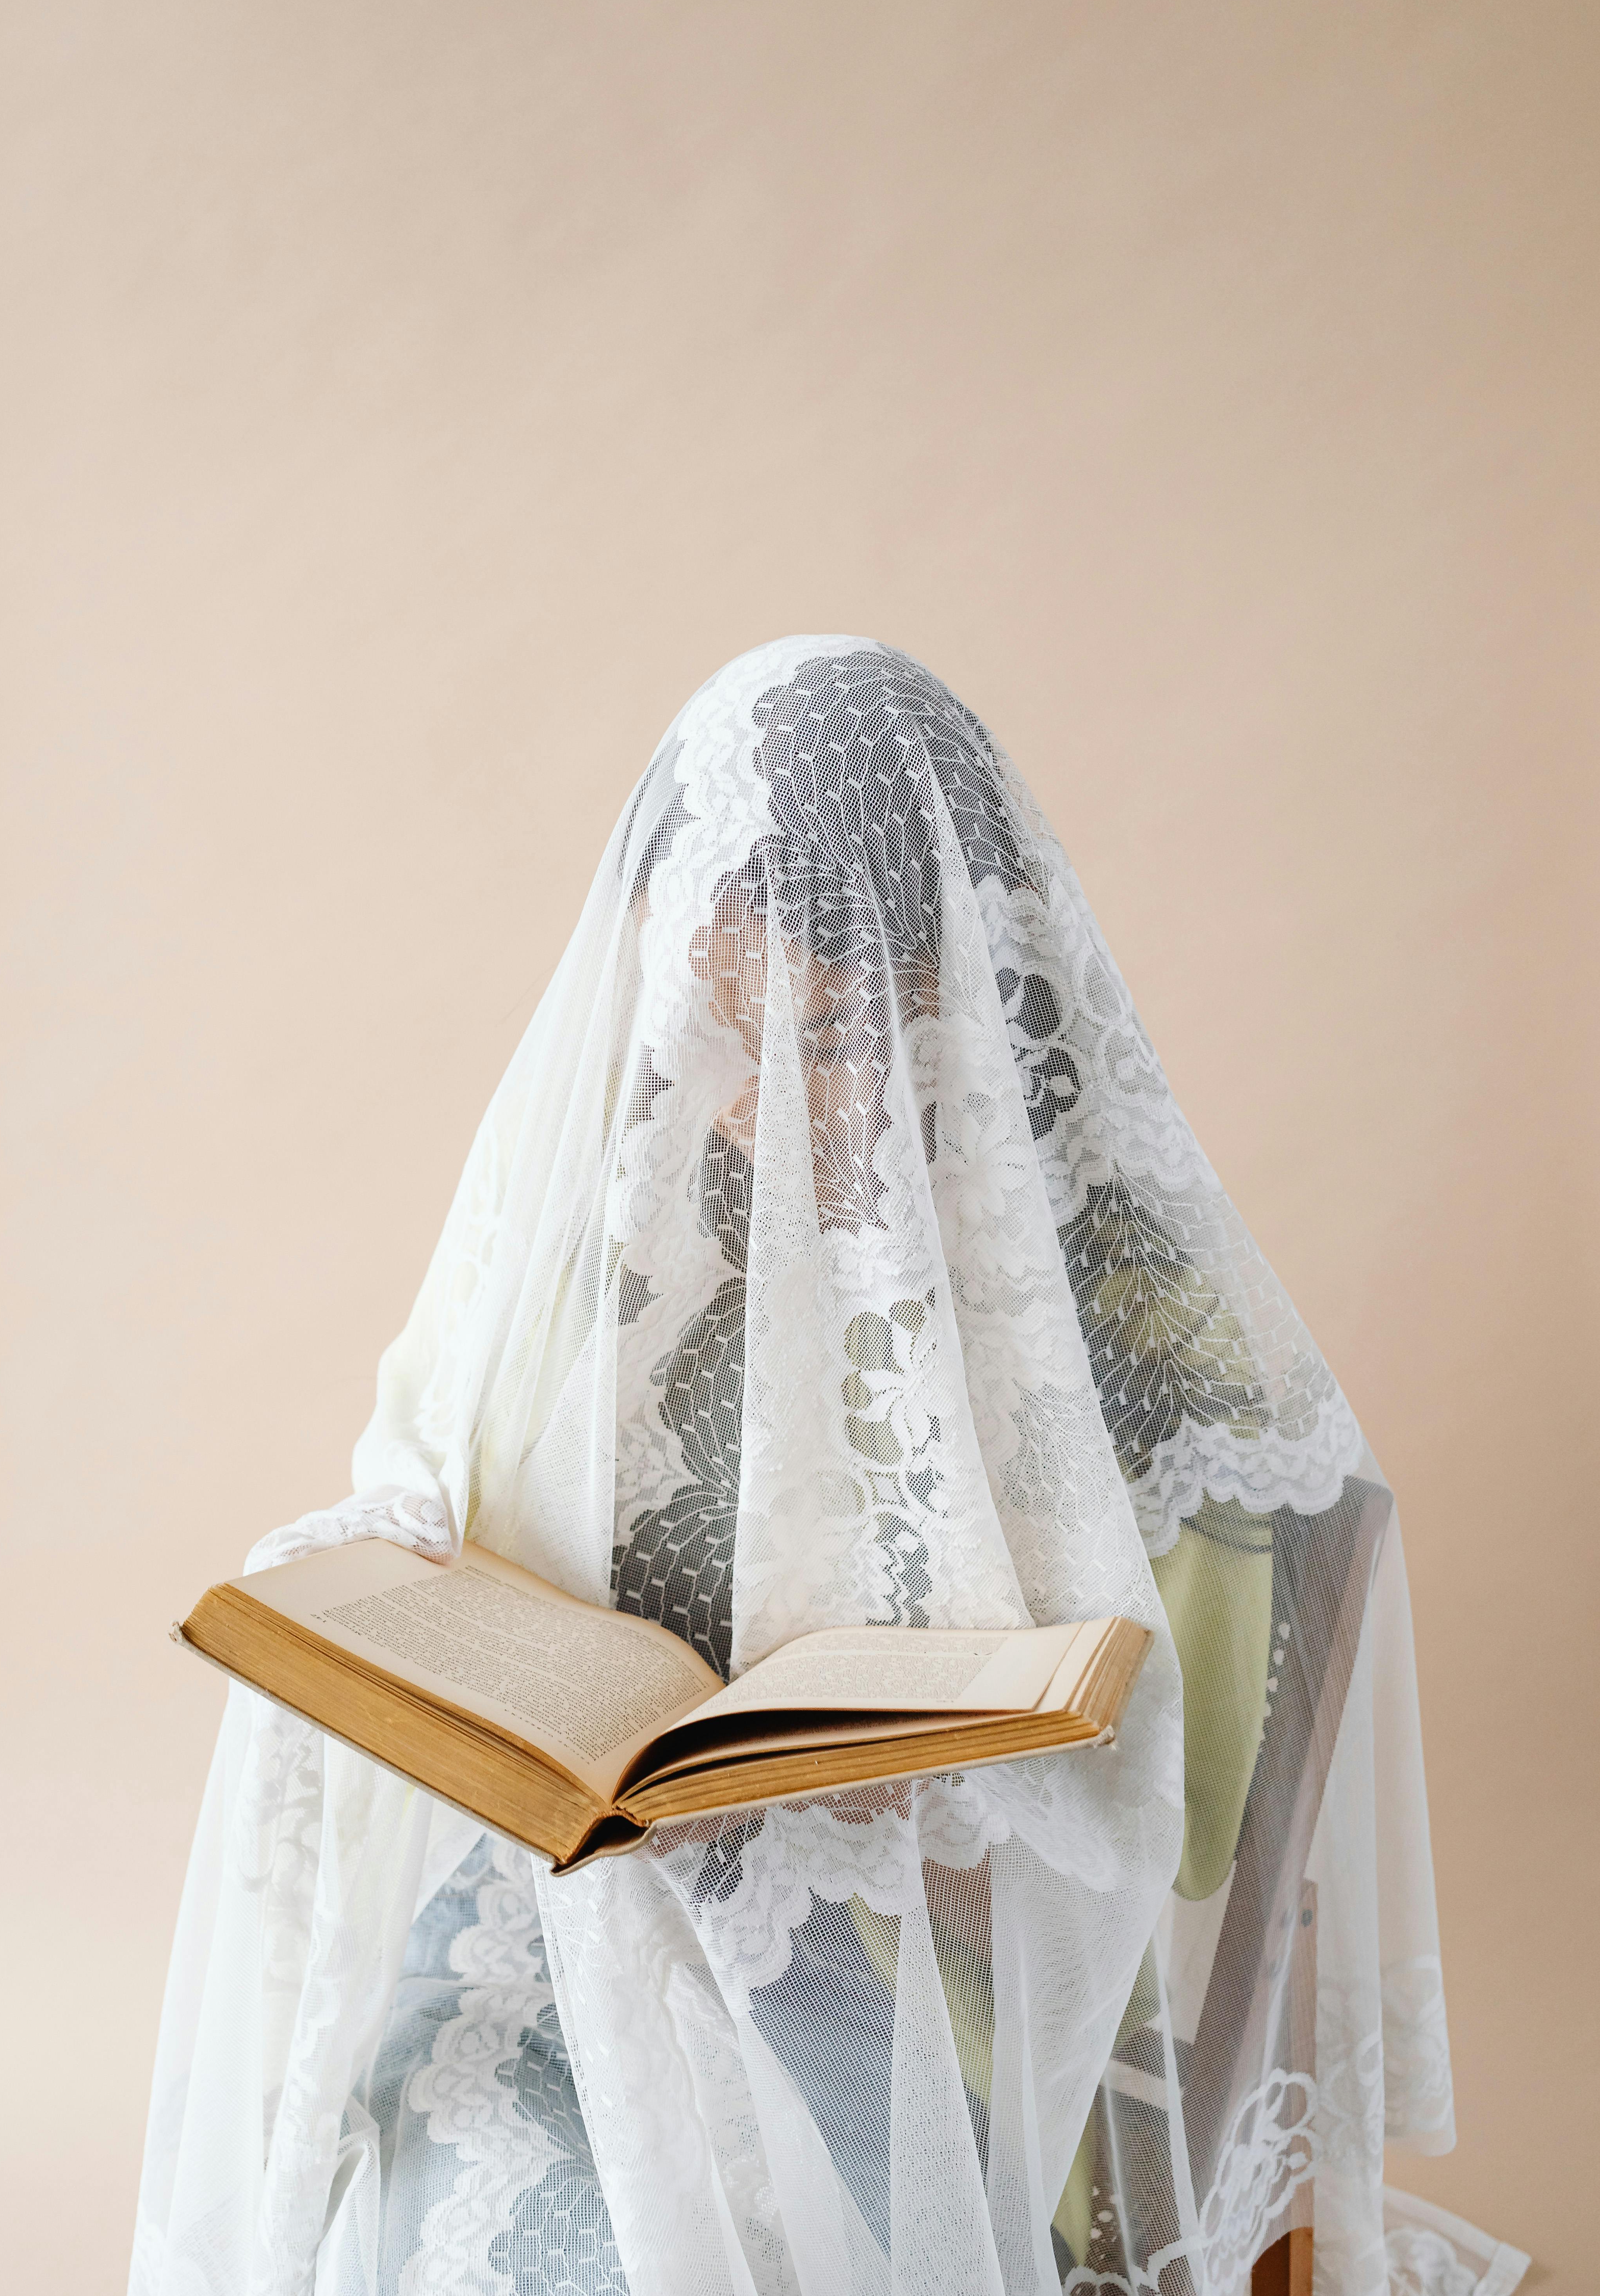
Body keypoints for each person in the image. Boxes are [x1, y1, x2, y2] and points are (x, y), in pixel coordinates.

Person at [132, 639, 1498, 2296]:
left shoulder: (1153, 1364)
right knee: (412, 2166)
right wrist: (387, 1543)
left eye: (824, 1033)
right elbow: (470, 1478)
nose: (743, 1105)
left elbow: (1191, 1841)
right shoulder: (654, 1260)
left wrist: (888, 1825)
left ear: (968, 1001)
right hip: (585, 1952)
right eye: (705, 1029)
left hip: (924, 2047)